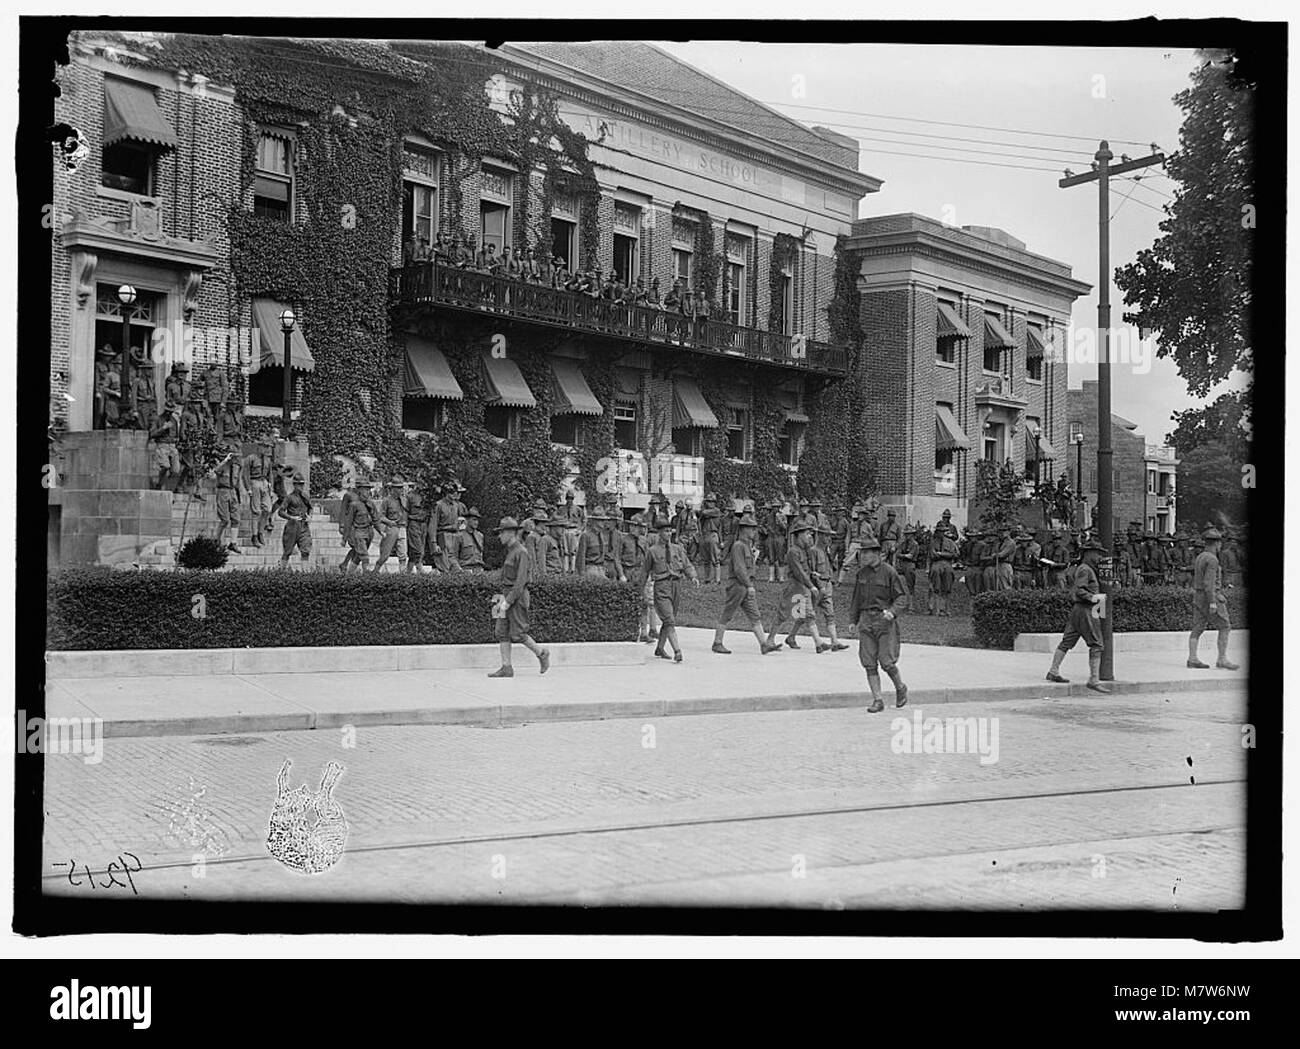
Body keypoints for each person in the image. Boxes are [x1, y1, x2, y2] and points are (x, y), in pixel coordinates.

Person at [849, 535, 910, 713]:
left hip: (884, 621)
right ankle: (878, 699)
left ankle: (900, 687)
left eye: (867, 553)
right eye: (862, 553)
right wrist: (853, 621)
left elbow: (902, 597)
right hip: (866, 621)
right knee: (868, 662)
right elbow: (856, 599)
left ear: (877, 553)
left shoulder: (889, 572)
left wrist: (892, 612)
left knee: (887, 662)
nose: (863, 556)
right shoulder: (861, 573)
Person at [1044, 537, 1110, 693]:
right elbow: (1080, 590)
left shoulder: (1086, 568)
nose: (1100, 557)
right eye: (1097, 553)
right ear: (1089, 553)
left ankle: (1053, 671)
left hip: (1080, 609)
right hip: (1087, 608)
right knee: (1096, 644)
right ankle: (1094, 679)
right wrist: (1094, 599)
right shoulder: (1086, 569)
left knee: (1067, 641)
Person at [488, 517, 551, 678]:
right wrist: (501, 599)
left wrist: (507, 601)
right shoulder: (511, 551)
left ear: (511, 533)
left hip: (516, 596)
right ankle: (506, 667)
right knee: (500, 631)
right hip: (503, 594)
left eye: (502, 532)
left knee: (518, 633)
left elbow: (521, 581)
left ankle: (542, 653)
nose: (499, 536)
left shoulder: (521, 552)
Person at [712, 512, 780, 655]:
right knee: (728, 613)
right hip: (737, 586)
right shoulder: (738, 546)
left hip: (745, 586)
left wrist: (749, 585)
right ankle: (717, 642)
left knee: (755, 615)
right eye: (751, 528)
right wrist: (749, 585)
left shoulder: (747, 546)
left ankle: (764, 644)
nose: (754, 532)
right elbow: (739, 569)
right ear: (743, 529)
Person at [640, 514, 699, 663]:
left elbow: (686, 564)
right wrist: (640, 590)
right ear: (659, 532)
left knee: (669, 619)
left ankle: (660, 648)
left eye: (669, 531)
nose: (668, 534)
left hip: (676, 585)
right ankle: (677, 651)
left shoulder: (677, 549)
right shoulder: (652, 551)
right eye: (665, 531)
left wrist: (693, 576)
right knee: (669, 619)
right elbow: (645, 571)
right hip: (661, 586)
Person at [766, 520, 827, 653]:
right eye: (806, 534)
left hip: (802, 586)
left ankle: (816, 642)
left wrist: (812, 574)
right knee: (783, 613)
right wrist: (812, 586)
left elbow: (805, 570)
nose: (809, 536)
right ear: (799, 535)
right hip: (794, 586)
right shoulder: (793, 551)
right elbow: (798, 571)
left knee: (807, 615)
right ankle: (770, 640)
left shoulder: (804, 550)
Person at [1188, 526, 1239, 670]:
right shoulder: (1212, 559)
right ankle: (1222, 659)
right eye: (1220, 543)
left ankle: (1192, 658)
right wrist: (1212, 602)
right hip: (1210, 596)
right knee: (1225, 626)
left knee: (1197, 627)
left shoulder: (1200, 557)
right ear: (1217, 543)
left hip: (1198, 596)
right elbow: (1208, 583)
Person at [620, 513, 655, 642]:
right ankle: (629, 630)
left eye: (637, 526)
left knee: (644, 602)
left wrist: (649, 573)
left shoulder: (643, 541)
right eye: (632, 526)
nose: (633, 528)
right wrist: (621, 574)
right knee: (628, 602)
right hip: (628, 571)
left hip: (641, 573)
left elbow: (647, 559)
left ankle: (644, 632)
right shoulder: (624, 540)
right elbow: (617, 558)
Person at [212, 435, 245, 554]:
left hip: (232, 491)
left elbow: (237, 481)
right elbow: (215, 471)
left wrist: (240, 495)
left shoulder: (237, 466)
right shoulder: (222, 464)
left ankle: (233, 543)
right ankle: (217, 540)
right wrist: (225, 460)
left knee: (236, 518)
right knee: (225, 519)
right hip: (223, 491)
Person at [243, 435, 276, 547]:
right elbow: (245, 474)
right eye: (265, 446)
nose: (267, 449)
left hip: (264, 483)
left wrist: (271, 488)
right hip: (255, 483)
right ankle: (255, 536)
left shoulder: (267, 459)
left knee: (268, 509)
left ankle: (261, 531)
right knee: (256, 511)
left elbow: (270, 473)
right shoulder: (251, 458)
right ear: (259, 446)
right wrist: (248, 488)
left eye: (268, 447)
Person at [372, 475, 410, 572]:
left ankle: (403, 575)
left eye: (401, 487)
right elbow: (380, 516)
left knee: (403, 554)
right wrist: (389, 522)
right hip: (391, 528)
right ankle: (375, 571)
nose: (401, 490)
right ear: (392, 488)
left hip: (402, 527)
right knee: (385, 554)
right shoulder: (387, 500)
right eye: (398, 488)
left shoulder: (404, 500)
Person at [339, 478, 378, 572]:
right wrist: (342, 525)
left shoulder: (365, 498)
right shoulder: (348, 495)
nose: (367, 490)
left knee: (358, 548)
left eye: (368, 488)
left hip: (363, 526)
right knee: (357, 547)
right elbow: (343, 510)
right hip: (352, 526)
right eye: (365, 487)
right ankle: (346, 565)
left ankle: (346, 565)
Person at [278, 473, 313, 568]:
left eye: (302, 484)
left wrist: (310, 516)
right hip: (292, 526)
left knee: (306, 550)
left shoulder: (305, 497)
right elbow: (280, 511)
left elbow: (310, 508)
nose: (300, 487)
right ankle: (281, 571)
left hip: (304, 525)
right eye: (298, 484)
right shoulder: (289, 497)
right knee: (287, 552)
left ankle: (305, 574)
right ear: (294, 485)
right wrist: (290, 517)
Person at [148, 400, 183, 492]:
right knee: (165, 466)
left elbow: (177, 434)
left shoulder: (174, 420)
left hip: (172, 445)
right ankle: (159, 484)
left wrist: (177, 440)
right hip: (162, 445)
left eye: (171, 411)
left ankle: (169, 488)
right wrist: (163, 428)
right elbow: (152, 434)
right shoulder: (158, 419)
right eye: (168, 411)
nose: (169, 413)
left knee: (176, 470)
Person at [927, 527, 958, 616]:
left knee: (947, 587)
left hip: (947, 564)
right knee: (936, 587)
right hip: (936, 564)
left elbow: (954, 554)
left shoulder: (950, 542)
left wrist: (942, 554)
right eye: (939, 531)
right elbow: (933, 555)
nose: (941, 533)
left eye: (942, 531)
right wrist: (944, 555)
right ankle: (936, 609)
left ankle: (946, 609)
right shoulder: (933, 542)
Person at [127, 347, 156, 432]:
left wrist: (155, 407)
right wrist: (134, 410)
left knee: (152, 425)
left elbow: (155, 396)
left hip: (150, 405)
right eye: (148, 369)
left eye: (151, 369)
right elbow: (133, 396)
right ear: (143, 369)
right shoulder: (137, 381)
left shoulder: (151, 382)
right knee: (143, 426)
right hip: (142, 405)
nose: (150, 371)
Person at [404, 481, 432, 573]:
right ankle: (420, 568)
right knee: (417, 549)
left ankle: (408, 571)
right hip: (414, 523)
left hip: (424, 524)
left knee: (419, 550)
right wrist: (405, 526)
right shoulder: (410, 496)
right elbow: (406, 511)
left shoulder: (427, 496)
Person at [433, 482, 464, 565]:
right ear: (447, 493)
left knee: (455, 560)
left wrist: (461, 535)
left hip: (455, 535)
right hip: (443, 535)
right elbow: (433, 525)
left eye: (456, 492)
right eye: (452, 492)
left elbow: (461, 521)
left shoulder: (457, 505)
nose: (455, 494)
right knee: (445, 562)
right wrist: (434, 543)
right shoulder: (438, 505)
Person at [554, 491, 584, 573]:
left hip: (574, 530)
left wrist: (580, 529)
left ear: (573, 499)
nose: (569, 500)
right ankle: (566, 569)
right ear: (566, 498)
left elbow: (584, 520)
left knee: (573, 551)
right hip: (564, 529)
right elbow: (554, 517)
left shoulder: (578, 509)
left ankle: (573, 569)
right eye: (568, 498)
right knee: (565, 550)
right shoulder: (561, 509)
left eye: (571, 498)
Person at [94, 345, 122, 429]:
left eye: (109, 356)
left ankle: (105, 427)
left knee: (110, 411)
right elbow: (97, 378)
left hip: (109, 390)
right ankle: (97, 428)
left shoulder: (111, 366)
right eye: (106, 356)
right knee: (100, 412)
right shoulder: (98, 365)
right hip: (102, 390)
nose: (108, 358)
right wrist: (97, 391)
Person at [198, 361, 229, 435]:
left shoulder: (220, 373)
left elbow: (225, 387)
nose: (213, 364)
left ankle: (217, 432)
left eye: (215, 362)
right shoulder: (205, 373)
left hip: (217, 398)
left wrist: (223, 401)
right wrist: (201, 390)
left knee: (217, 417)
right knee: (207, 415)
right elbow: (199, 381)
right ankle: (209, 431)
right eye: (212, 362)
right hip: (207, 397)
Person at [576, 507, 608, 578]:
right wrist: (582, 573)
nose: (604, 523)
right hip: (590, 568)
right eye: (601, 520)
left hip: (601, 568)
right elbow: (581, 556)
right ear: (595, 521)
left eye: (604, 520)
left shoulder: (602, 535)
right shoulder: (586, 536)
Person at [699, 499, 722, 584]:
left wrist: (702, 509)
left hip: (713, 534)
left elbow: (704, 513)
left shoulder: (716, 510)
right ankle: (707, 579)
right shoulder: (705, 511)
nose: (710, 503)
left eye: (712, 501)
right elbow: (700, 515)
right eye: (708, 501)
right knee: (706, 559)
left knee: (715, 559)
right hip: (705, 534)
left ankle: (717, 579)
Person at [456, 508, 486, 572]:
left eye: (477, 520)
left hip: (479, 569)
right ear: (467, 520)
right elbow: (453, 556)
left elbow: (481, 554)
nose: (476, 522)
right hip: (465, 569)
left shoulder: (480, 536)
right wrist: (459, 570)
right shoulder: (460, 536)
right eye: (474, 520)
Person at [896, 524, 920, 595]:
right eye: (906, 534)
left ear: (912, 534)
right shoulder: (903, 543)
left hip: (910, 564)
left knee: (910, 583)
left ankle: (910, 597)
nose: (907, 536)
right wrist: (905, 555)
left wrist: (903, 555)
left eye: (909, 534)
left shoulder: (915, 544)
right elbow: (897, 554)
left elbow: (911, 556)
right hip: (902, 564)